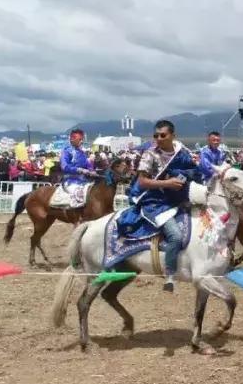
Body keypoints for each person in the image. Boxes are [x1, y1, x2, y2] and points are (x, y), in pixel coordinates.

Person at [117, 120, 203, 292]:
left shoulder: (182, 152)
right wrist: (168, 183)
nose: (158, 138)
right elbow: (142, 182)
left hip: (177, 199)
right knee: (176, 236)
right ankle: (170, 275)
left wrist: (185, 177)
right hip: (153, 201)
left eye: (163, 135)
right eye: (156, 135)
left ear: (173, 135)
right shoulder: (150, 154)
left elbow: (194, 170)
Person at [53, 129, 96, 208]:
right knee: (77, 197)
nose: (82, 141)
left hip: (84, 181)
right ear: (73, 139)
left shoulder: (82, 152)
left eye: (82, 139)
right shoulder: (66, 151)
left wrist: (91, 170)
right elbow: (64, 167)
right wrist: (79, 169)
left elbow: (87, 165)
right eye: (80, 139)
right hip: (71, 181)